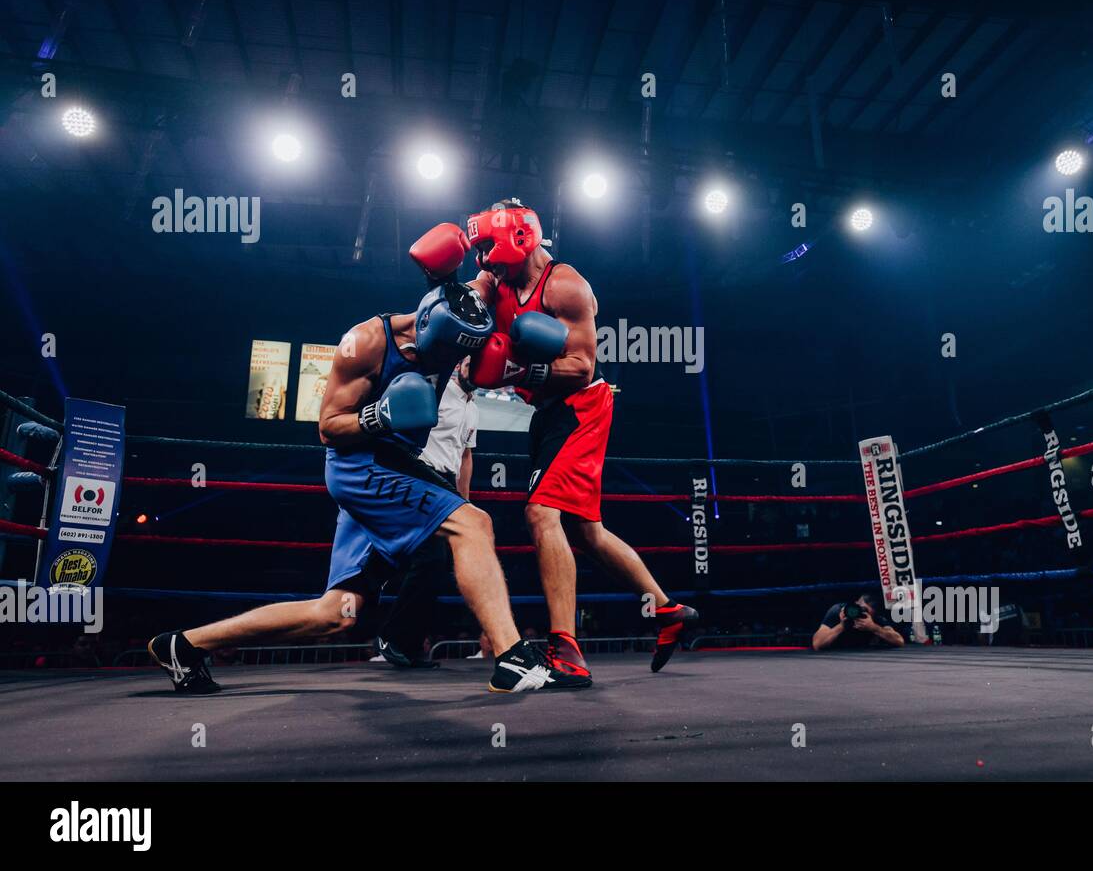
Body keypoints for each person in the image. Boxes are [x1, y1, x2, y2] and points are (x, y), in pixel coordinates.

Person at [148, 224, 588, 695]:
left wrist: (498, 243)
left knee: (337, 613)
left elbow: (493, 273)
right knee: (473, 523)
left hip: (394, 462)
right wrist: (380, 416)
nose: (442, 368)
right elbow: (328, 428)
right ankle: (511, 656)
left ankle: (186, 646)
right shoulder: (364, 344)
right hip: (359, 465)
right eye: (435, 357)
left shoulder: (461, 312)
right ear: (420, 330)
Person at [416, 200, 697, 680]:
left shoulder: (566, 287)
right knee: (586, 531)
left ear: (519, 238)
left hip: (581, 406)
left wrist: (516, 370)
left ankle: (566, 648)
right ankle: (669, 612)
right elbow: (467, 304)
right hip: (546, 411)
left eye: (487, 247)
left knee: (540, 512)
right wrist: (441, 284)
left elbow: (582, 367)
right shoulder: (495, 278)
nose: (482, 259)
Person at [374, 359, 479, 669]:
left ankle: (407, 644)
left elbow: (466, 455)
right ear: (460, 363)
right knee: (430, 559)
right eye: (474, 365)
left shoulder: (473, 407)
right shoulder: (436, 389)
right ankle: (393, 637)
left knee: (437, 564)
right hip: (421, 474)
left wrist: (465, 501)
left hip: (446, 485)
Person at [811, 590, 905, 650]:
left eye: (866, 612)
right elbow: (817, 643)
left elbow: (899, 641)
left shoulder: (876, 619)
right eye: (861, 608)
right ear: (856, 604)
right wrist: (841, 626)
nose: (861, 613)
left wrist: (874, 628)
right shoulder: (838, 610)